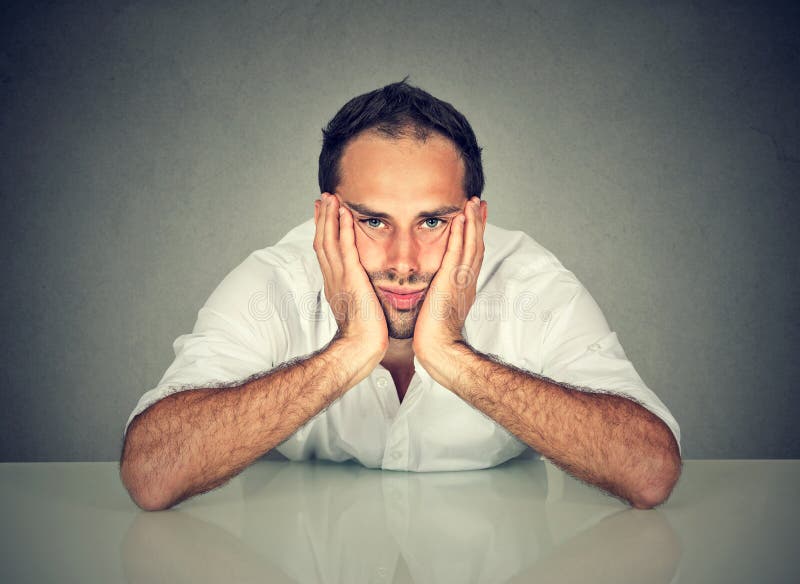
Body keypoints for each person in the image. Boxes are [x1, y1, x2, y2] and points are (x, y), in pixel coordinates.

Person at [120, 81, 681, 511]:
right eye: (373, 221)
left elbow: (650, 469)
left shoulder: (531, 283)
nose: (404, 263)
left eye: (434, 222)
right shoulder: (275, 281)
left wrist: (452, 356)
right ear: (327, 217)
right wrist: (349, 349)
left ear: (476, 220)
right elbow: (150, 473)